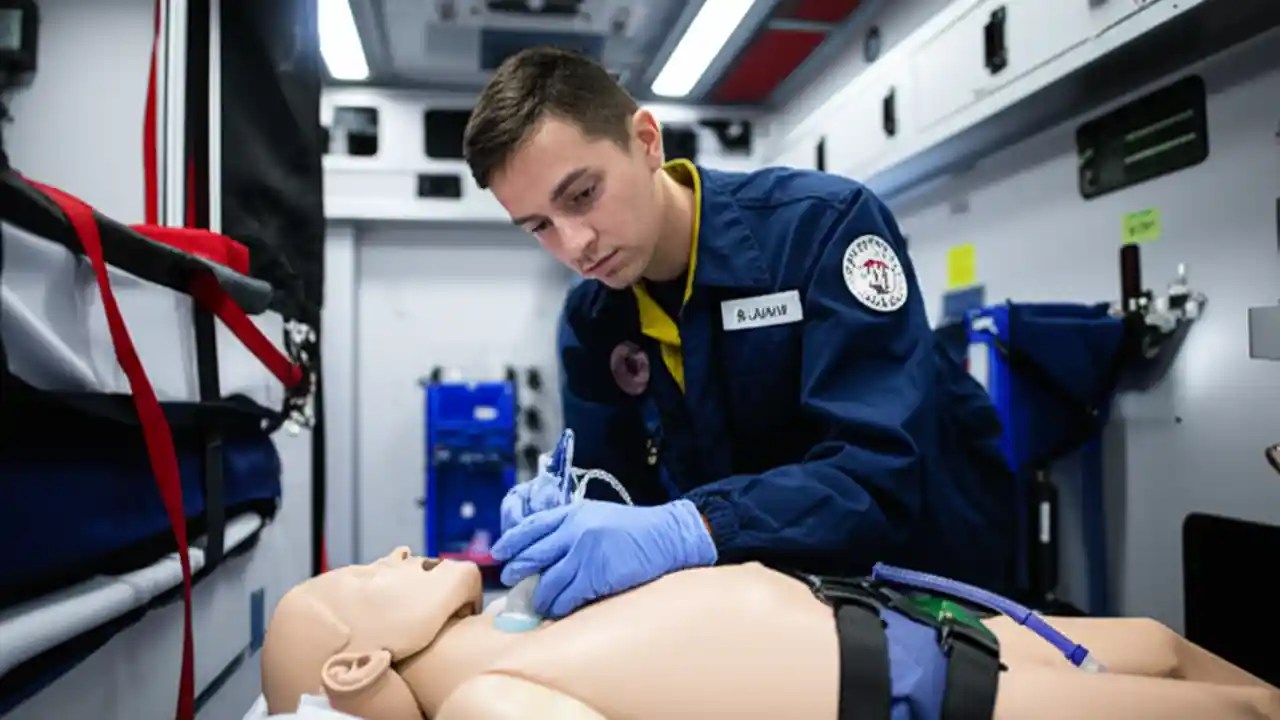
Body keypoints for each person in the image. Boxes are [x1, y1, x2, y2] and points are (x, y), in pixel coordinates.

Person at [462, 46, 1016, 620]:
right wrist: (567, 513)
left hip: (925, 596)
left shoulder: (822, 230)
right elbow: (617, 497)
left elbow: (877, 476)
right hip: (764, 614)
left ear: (647, 141)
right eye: (540, 227)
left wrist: (693, 526)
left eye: (582, 196)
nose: (574, 245)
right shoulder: (593, 321)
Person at [258, 547, 1280, 720]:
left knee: (1151, 634)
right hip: (909, 695)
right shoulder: (484, 699)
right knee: (1233, 711)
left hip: (898, 626)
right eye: (364, 575)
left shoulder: (517, 622)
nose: (394, 553)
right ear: (356, 663)